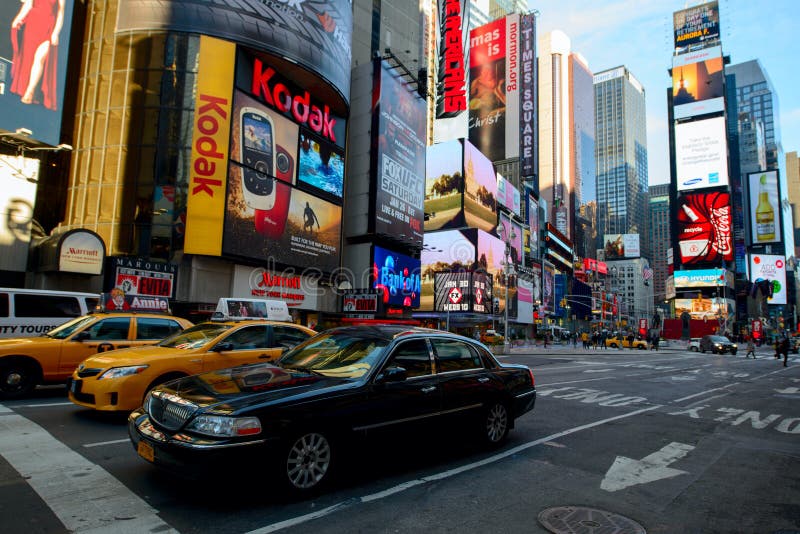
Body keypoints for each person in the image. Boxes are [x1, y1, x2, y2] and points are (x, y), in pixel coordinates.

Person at [10, 0, 66, 109]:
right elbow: (28, 4)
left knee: (40, 59)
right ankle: (28, 89)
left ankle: (30, 91)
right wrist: (18, 19)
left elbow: (60, 12)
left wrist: (56, 32)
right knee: (28, 60)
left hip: (49, 27)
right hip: (32, 25)